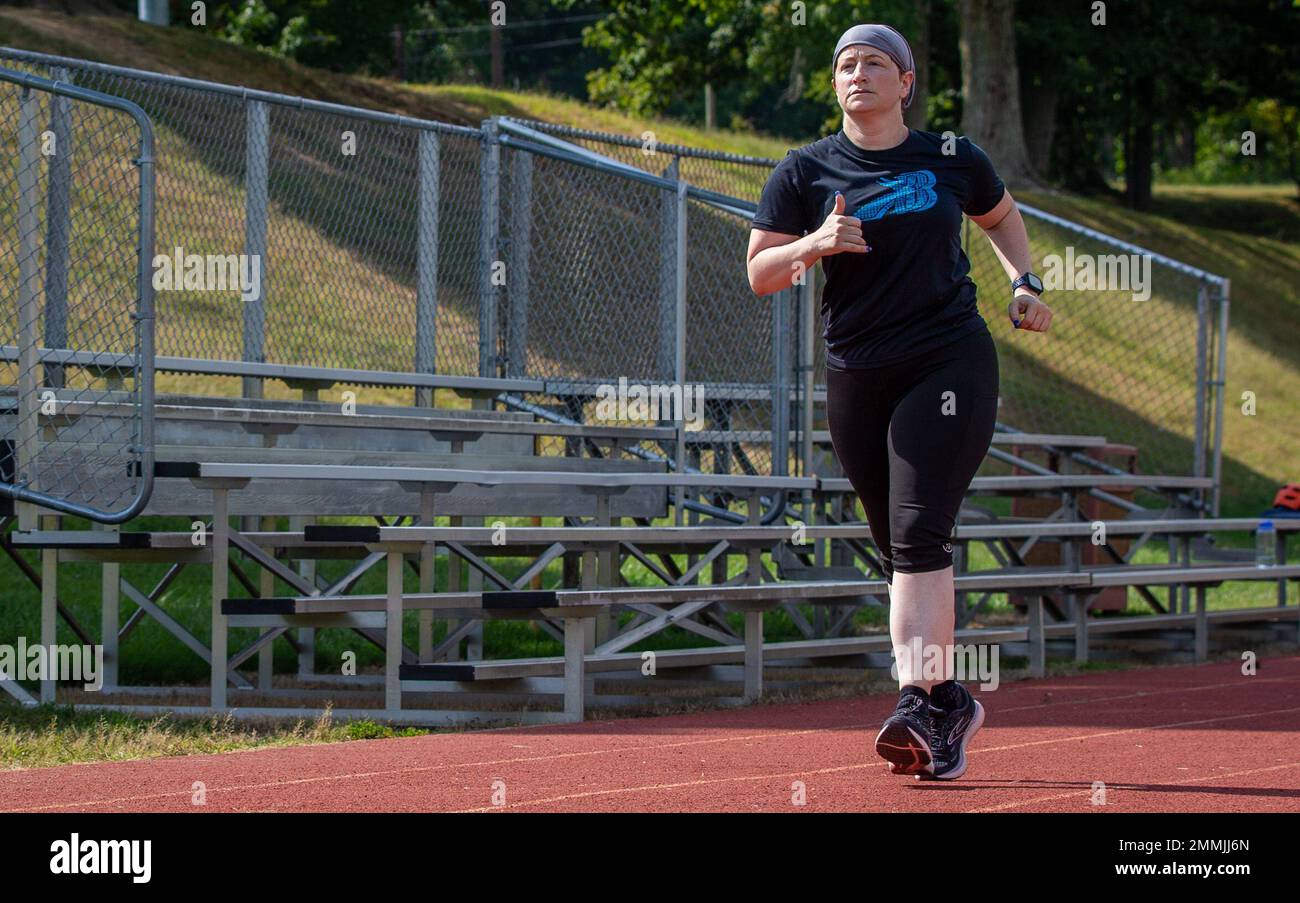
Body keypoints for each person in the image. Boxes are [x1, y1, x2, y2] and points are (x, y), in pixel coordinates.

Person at [746, 23, 1052, 780]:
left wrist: (1025, 281)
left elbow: (1000, 215)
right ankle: (950, 701)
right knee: (896, 546)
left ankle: (916, 699)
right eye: (845, 64)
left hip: (947, 358)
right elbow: (759, 272)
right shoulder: (804, 169)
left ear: (905, 82)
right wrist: (813, 244)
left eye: (876, 63)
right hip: (857, 371)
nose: (858, 74)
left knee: (918, 533)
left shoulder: (950, 157)